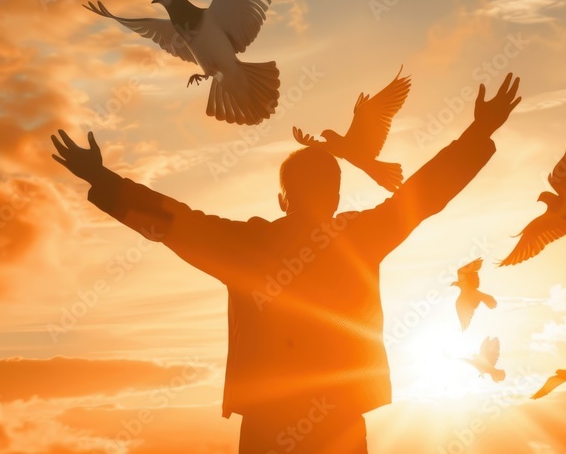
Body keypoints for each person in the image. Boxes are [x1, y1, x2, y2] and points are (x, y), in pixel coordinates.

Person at [51, 73, 521, 453]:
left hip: (267, 424)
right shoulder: (359, 238)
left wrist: (104, 181)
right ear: (336, 196)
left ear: (282, 198)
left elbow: (175, 223)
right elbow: (426, 193)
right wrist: (479, 133)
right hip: (338, 418)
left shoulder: (246, 246)